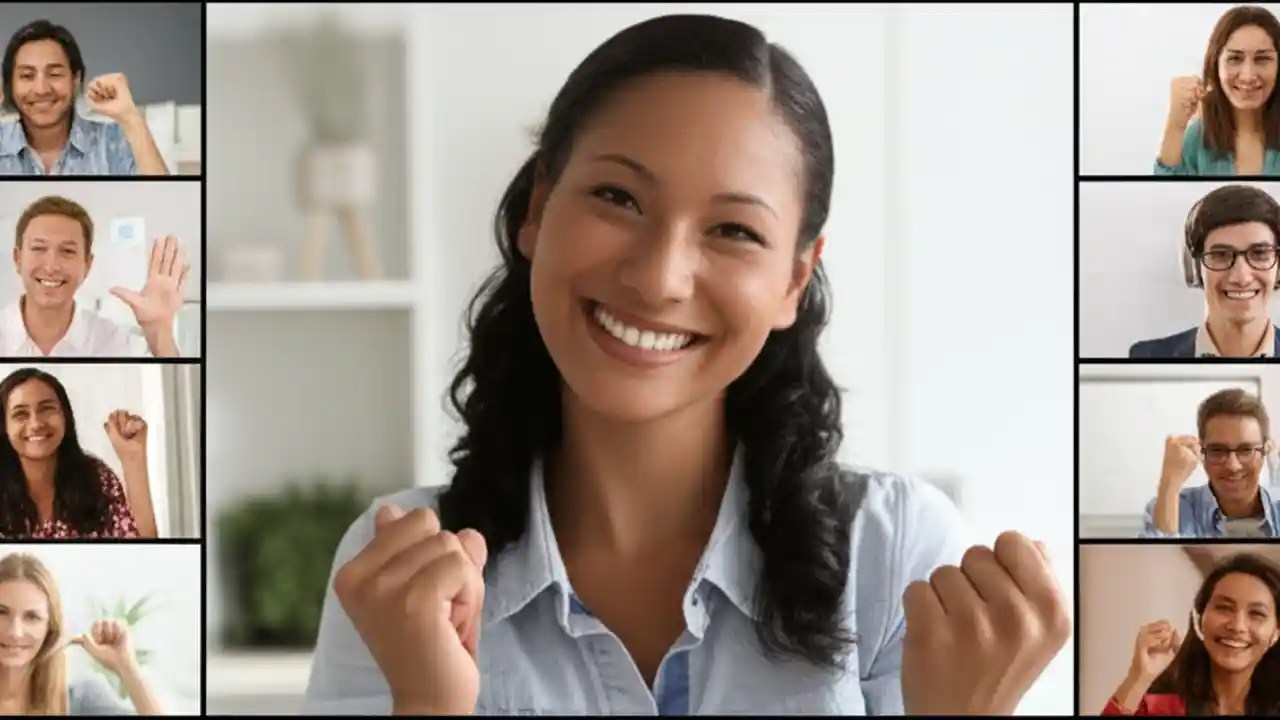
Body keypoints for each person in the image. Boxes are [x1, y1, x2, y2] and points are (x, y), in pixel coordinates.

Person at [302, 14, 1071, 716]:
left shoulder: (896, 556)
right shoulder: (399, 575)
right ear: (538, 209)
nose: (660, 278)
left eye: (734, 230)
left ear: (794, 282)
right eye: (618, 197)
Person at [3, 195, 189, 358]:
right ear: (18, 259)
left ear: (87, 265)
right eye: (39, 248)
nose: (51, 266)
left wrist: (159, 328)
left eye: (67, 251)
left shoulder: (114, 341)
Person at [1103, 553, 1280, 715]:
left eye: (1257, 614)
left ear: (1276, 633)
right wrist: (1138, 677)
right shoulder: (1162, 707)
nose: (1238, 626)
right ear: (1199, 618)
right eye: (1224, 608)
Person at [0, 368, 155, 539]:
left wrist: (132, 459)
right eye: (20, 414)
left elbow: (142, 549)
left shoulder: (97, 478)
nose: (36, 424)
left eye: (46, 409)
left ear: (65, 416)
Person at [0, 19, 167, 176]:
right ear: (10, 85)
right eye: (27, 76)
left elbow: (163, 201)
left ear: (76, 80)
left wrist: (131, 118)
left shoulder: (114, 142)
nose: (41, 89)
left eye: (55, 74)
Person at [0, 552, 162, 714]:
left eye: (32, 617)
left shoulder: (80, 702)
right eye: (2, 612)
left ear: (50, 629)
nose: (15, 631)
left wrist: (127, 666)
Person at [1130, 185, 1280, 358]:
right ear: (1195, 267)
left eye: (1260, 253)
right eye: (1220, 255)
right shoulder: (1146, 356)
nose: (1241, 278)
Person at [1156, 6, 1280, 175]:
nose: (1248, 75)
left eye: (1262, 59)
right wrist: (1175, 125)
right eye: (1235, 58)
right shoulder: (1197, 137)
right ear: (1215, 65)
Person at [1143, 388, 1280, 538]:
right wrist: (1169, 483)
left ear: (1265, 451)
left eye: (1245, 450)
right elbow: (1161, 561)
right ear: (1200, 451)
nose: (1233, 466)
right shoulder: (1172, 507)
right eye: (1217, 450)